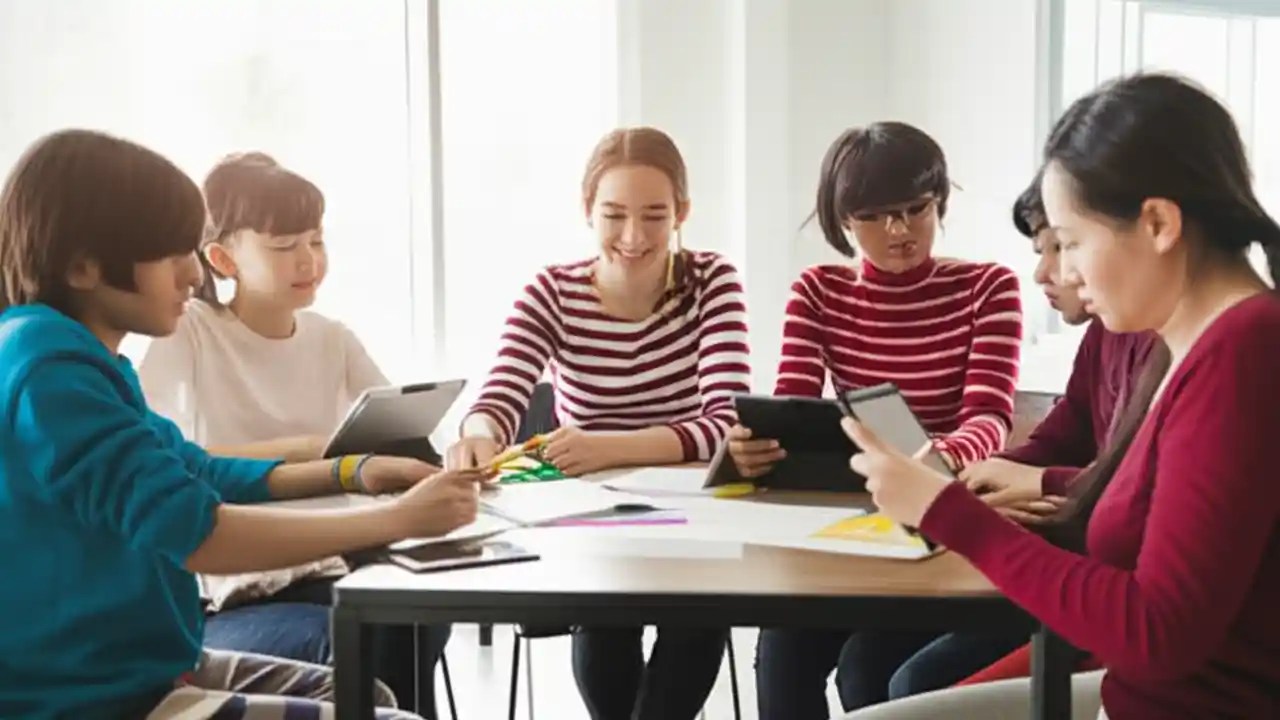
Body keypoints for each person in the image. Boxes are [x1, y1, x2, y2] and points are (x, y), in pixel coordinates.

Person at [0, 129, 488, 719]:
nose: (192, 274)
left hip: (143, 667)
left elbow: (200, 470)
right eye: (172, 252)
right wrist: (398, 518)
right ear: (84, 266)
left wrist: (355, 471)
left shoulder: (76, 359)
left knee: (367, 694)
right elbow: (200, 533)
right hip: (94, 698)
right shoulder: (52, 374)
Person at [844, 73, 1280, 718]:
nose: (1064, 272)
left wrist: (947, 512)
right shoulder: (1183, 346)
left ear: (1158, 222)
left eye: (1072, 242)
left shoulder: (1246, 348)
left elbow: (1159, 632)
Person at [447, 127, 750, 720]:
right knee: (605, 615)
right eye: (614, 215)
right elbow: (500, 396)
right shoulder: (552, 292)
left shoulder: (712, 281)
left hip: (694, 515)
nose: (634, 237)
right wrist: (476, 435)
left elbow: (725, 422)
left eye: (655, 216)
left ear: (682, 213)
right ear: (587, 210)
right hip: (591, 518)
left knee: (699, 619)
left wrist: (609, 446)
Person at [137, 152, 450, 715]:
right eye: (284, 247)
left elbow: (396, 428)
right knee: (360, 636)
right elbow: (174, 459)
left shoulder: (331, 337)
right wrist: (313, 448)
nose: (308, 261)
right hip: (240, 590)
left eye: (316, 241)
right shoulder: (191, 331)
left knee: (415, 618)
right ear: (222, 258)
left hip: (331, 560)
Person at [746, 122, 1025, 719]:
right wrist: (754, 446)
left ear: (939, 203)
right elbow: (792, 408)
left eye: (915, 209)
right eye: (875, 216)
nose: (899, 231)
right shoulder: (817, 292)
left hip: (941, 527)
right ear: (844, 220)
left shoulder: (987, 288)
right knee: (782, 648)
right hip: (846, 528)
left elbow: (990, 416)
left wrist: (935, 463)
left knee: (866, 668)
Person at [952, 176, 1166, 688]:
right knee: (867, 658)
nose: (1049, 272)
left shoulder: (1182, 343)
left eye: (1065, 246)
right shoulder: (1105, 331)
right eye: (1045, 249)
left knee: (911, 677)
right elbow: (1063, 436)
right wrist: (991, 476)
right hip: (1093, 582)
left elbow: (1137, 497)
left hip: (1111, 607)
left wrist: (1037, 485)